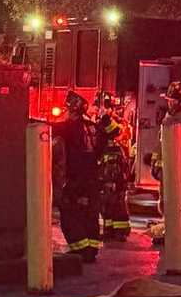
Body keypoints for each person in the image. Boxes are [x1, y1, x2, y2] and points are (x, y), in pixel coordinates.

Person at [53, 90, 101, 264]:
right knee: (90, 213)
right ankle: (92, 249)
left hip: (75, 178)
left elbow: (46, 128)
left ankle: (80, 250)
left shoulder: (68, 127)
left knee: (69, 212)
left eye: (67, 110)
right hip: (93, 178)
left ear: (72, 110)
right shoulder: (93, 127)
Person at [151, 81, 181, 242]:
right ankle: (169, 230)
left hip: (180, 170)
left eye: (172, 100)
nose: (169, 103)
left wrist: (180, 168)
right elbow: (161, 144)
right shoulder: (168, 117)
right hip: (167, 169)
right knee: (166, 201)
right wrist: (155, 163)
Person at [94, 92, 133, 241]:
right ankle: (110, 230)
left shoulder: (115, 121)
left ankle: (120, 231)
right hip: (108, 166)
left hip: (115, 167)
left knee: (116, 201)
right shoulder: (103, 119)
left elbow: (116, 132)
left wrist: (104, 119)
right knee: (107, 201)